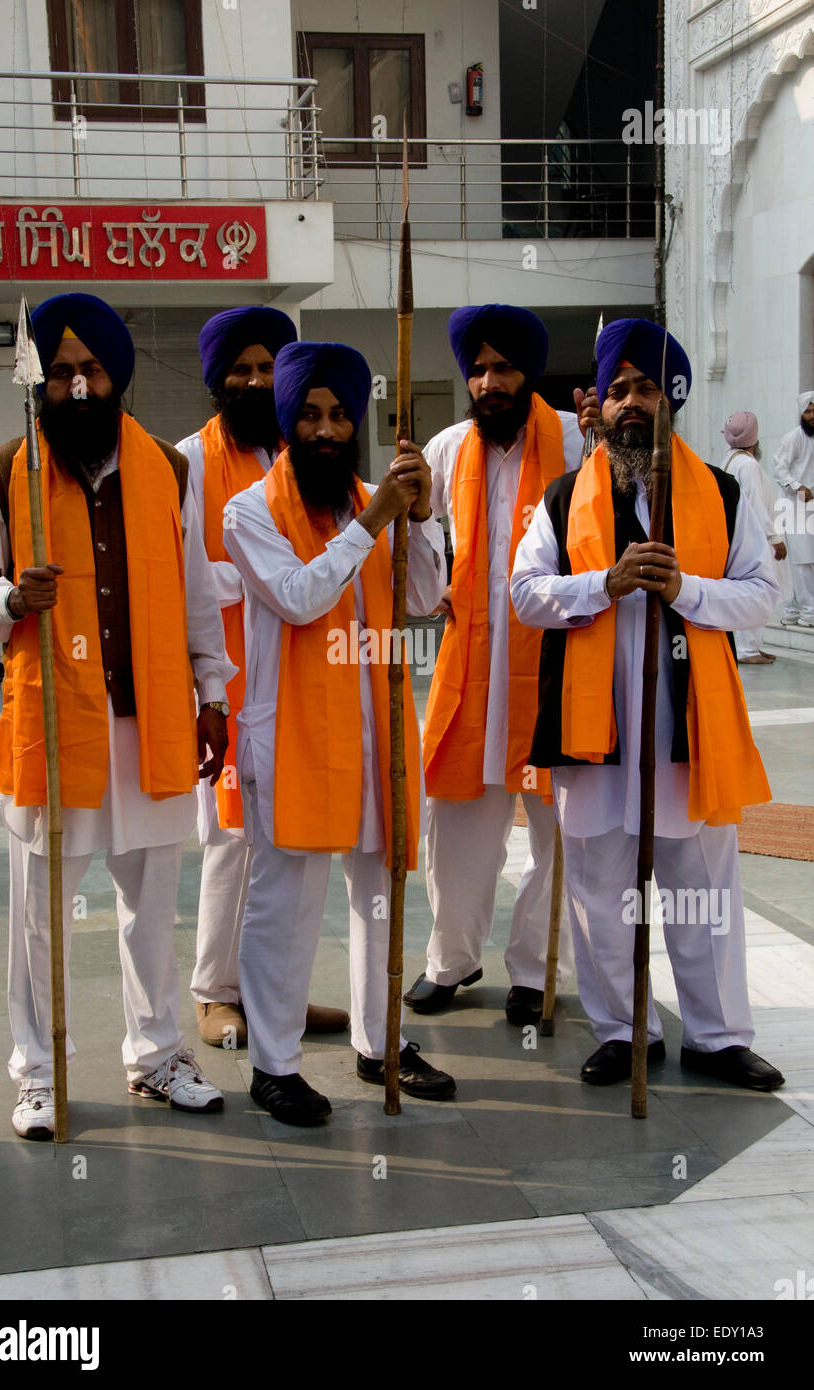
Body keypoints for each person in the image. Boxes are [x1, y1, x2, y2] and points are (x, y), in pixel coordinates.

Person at [0, 292, 233, 1138]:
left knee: (151, 906)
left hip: (150, 723)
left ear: (117, 378)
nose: (77, 385)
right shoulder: (11, 469)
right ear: (44, 382)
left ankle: (157, 1056)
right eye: (63, 370)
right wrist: (10, 594)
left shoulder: (168, 471)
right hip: (55, 727)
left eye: (91, 369)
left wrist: (212, 693)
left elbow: (197, 600)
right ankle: (37, 1074)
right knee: (41, 912)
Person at [510, 316, 785, 1092]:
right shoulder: (564, 499)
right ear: (602, 402)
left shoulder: (723, 493)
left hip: (690, 729)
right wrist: (607, 584)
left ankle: (718, 1036)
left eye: (646, 388)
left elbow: (765, 596)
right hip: (593, 737)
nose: (632, 402)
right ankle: (621, 1029)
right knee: (599, 887)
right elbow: (524, 595)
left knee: (702, 886)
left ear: (673, 398)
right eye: (618, 389)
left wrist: (685, 590)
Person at [223, 340, 455, 1125]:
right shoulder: (249, 509)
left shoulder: (372, 497)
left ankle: (377, 1041)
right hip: (288, 733)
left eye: (339, 415)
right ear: (289, 423)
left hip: (377, 727)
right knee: (285, 900)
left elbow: (426, 597)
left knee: (380, 889)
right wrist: (375, 523)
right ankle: (275, 1065)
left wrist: (418, 519)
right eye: (311, 416)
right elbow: (297, 596)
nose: (326, 430)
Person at [405, 304, 582, 1026]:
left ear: (528, 372)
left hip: (558, 667)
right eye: (477, 369)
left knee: (559, 829)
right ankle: (451, 959)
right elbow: (420, 567)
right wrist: (416, 515)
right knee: (454, 821)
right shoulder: (447, 450)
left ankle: (538, 971)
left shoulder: (576, 441)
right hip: (472, 666)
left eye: (503, 367)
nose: (489, 381)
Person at [177, 306, 349, 1049]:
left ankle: (275, 990)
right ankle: (215, 991)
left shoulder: (307, 454)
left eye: (267, 368)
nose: (255, 380)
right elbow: (180, 577)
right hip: (221, 677)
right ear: (218, 381)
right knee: (229, 842)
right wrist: (255, 571)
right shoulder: (186, 461)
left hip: (298, 681)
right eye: (241, 370)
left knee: (290, 848)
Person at [718, 410, 787, 663]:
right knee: (759, 589)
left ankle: (753, 646)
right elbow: (756, 503)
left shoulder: (730, 460)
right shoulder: (748, 465)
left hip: (740, 536)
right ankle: (748, 650)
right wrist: (774, 537)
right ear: (755, 440)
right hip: (754, 538)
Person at [773, 391, 814, 628]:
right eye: (807, 411)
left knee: (806, 560)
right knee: (800, 561)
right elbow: (780, 468)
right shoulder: (793, 438)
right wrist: (798, 486)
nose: (811, 416)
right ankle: (806, 612)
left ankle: (795, 611)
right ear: (800, 414)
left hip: (809, 509)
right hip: (793, 508)